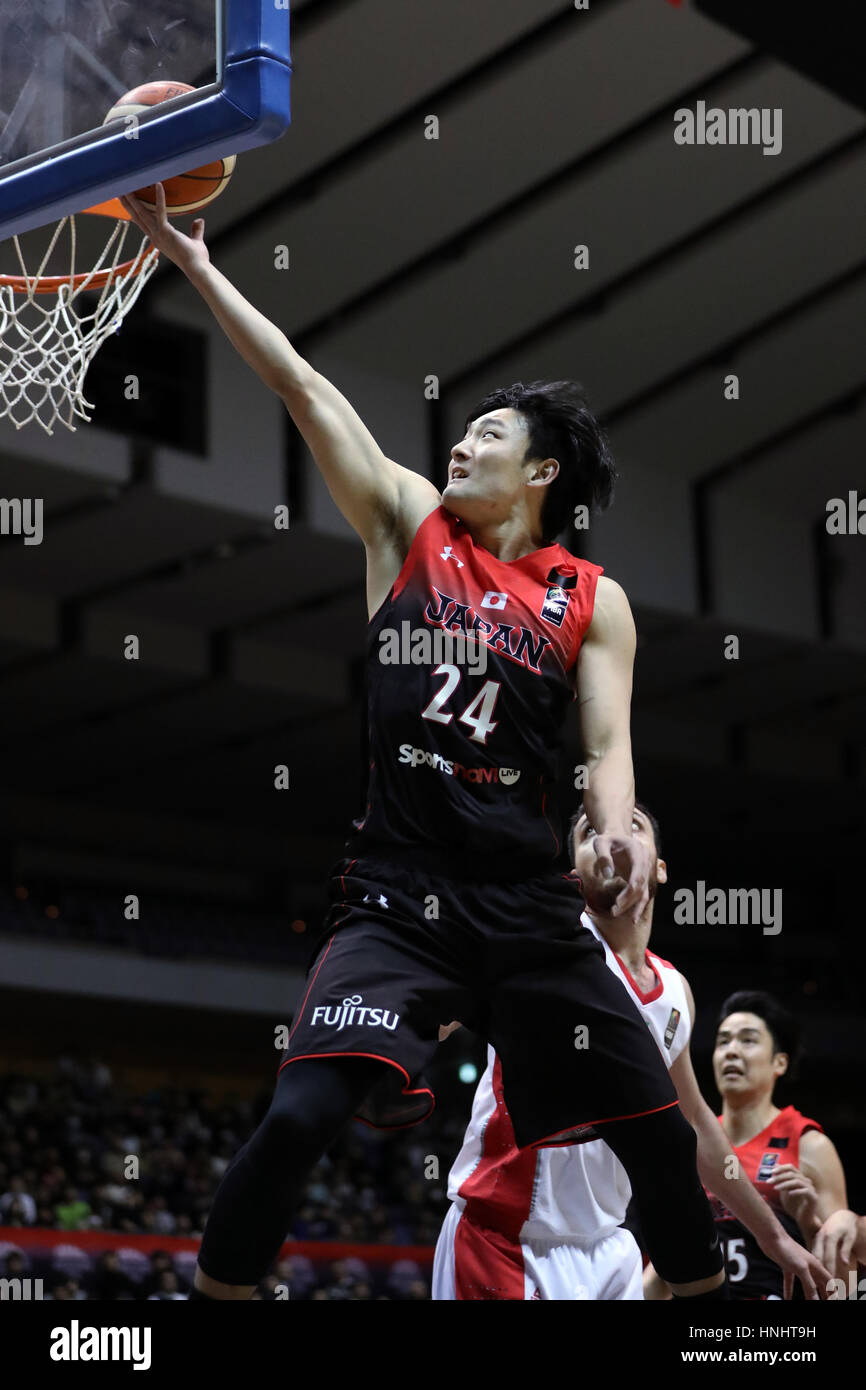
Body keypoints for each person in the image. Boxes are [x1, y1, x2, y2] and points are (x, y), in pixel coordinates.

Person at [120, 185, 728, 1303]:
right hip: (397, 894)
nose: (460, 441)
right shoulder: (408, 526)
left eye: (488, 435)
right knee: (300, 1114)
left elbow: (604, 742)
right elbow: (301, 387)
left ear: (539, 474)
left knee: (654, 1137)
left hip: (528, 909)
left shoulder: (588, 598)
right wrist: (190, 261)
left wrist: (612, 833)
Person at [433, 804, 830, 1300]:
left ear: (658, 867)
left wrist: (771, 1236)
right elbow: (437, 1010)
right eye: (590, 832)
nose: (611, 839)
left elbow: (695, 1125)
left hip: (611, 1249)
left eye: (631, 827)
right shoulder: (536, 945)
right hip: (504, 1239)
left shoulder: (674, 990)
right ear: (573, 871)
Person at [645, 991, 848, 1300]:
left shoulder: (810, 1145)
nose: (731, 1051)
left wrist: (808, 1224)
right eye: (723, 1041)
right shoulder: (692, 1145)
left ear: (779, 1062)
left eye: (748, 1040)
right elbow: (659, 1272)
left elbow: (843, 1279)